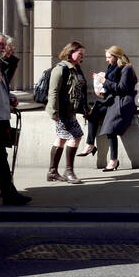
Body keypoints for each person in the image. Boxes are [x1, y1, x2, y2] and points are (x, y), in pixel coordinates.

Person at [0, 32, 31, 205]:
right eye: (0, 45)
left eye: (4, 45)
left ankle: (6, 193)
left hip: (0, 117)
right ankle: (10, 195)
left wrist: (10, 98)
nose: (4, 48)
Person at [45, 40, 89, 184]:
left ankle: (52, 172)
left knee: (61, 138)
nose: (82, 56)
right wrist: (53, 111)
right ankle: (68, 171)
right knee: (76, 136)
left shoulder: (76, 68)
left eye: (83, 54)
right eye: (80, 53)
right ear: (71, 52)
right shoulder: (61, 68)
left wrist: (85, 106)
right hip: (62, 111)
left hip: (71, 110)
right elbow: (54, 91)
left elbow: (80, 90)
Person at [95, 46, 138, 171]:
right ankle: (90, 144)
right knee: (93, 114)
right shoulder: (112, 68)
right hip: (113, 99)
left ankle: (113, 160)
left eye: (109, 57)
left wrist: (104, 81)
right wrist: (102, 92)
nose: (107, 60)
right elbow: (112, 88)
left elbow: (122, 88)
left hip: (123, 102)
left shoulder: (127, 68)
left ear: (116, 56)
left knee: (110, 126)